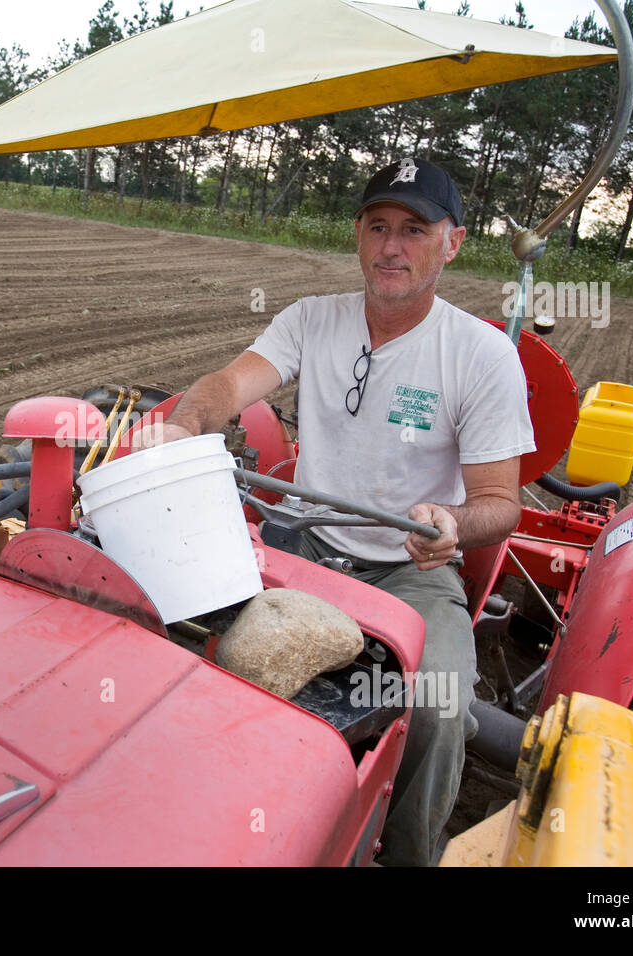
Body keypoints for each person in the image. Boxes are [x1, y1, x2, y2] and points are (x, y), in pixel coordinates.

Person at [138, 157, 535, 866]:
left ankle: (406, 852)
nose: (392, 247)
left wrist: (450, 524)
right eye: (378, 226)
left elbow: (499, 505)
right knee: (191, 636)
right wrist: (184, 420)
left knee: (441, 708)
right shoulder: (311, 321)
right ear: (357, 234)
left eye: (415, 229)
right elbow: (230, 383)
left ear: (454, 243)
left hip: (410, 570)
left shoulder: (480, 356)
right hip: (304, 547)